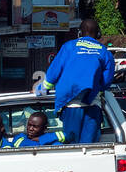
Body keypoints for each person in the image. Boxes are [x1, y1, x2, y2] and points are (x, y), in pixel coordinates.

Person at [43, 17, 115, 145]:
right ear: (98, 33)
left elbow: (54, 72)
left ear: (79, 33)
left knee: (72, 146)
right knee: (89, 147)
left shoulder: (68, 47)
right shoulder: (104, 52)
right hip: (93, 106)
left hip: (71, 106)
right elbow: (106, 82)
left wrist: (42, 89)